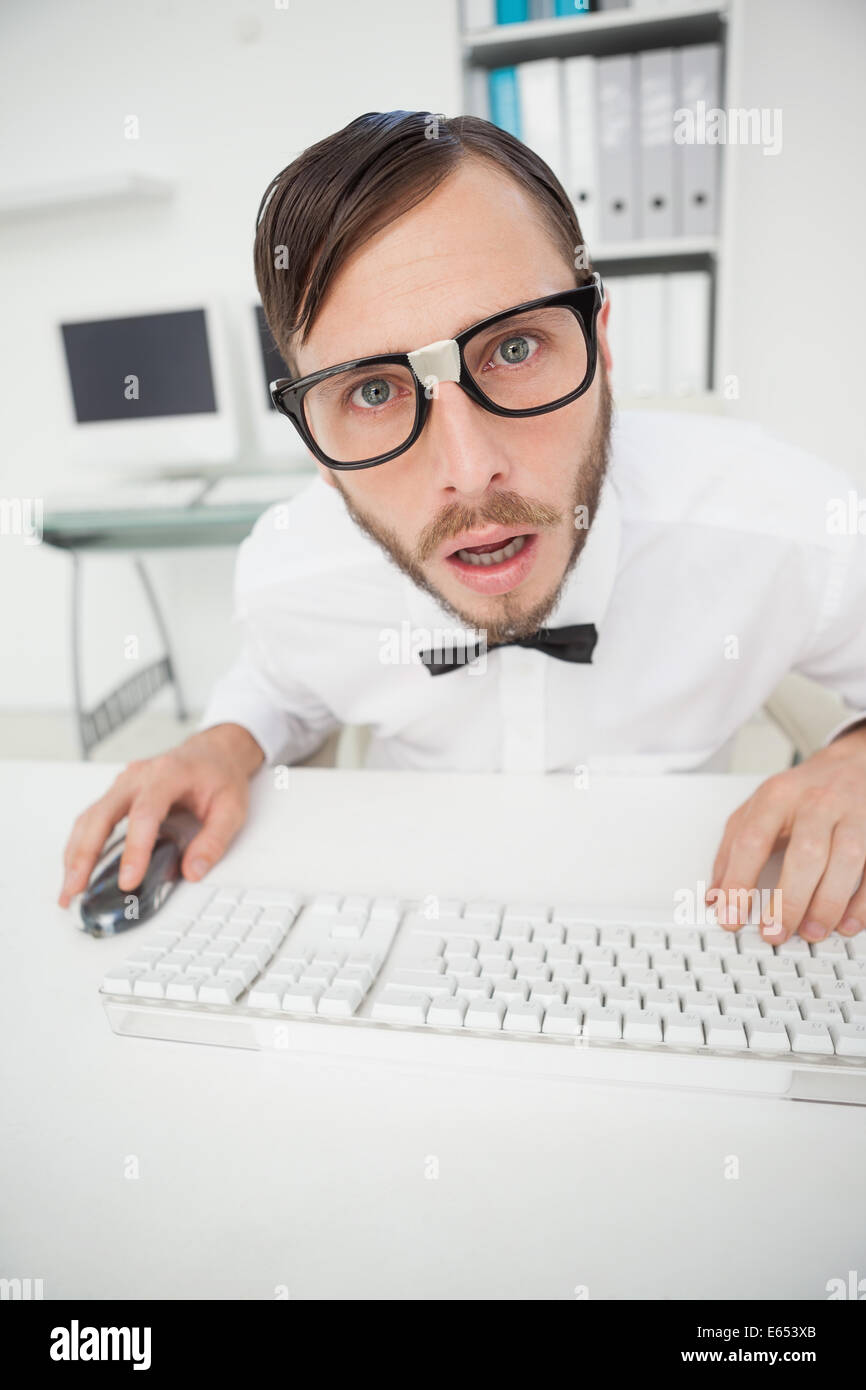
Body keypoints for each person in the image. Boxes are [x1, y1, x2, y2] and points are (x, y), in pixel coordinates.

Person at [58, 111, 866, 946]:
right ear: (315, 447)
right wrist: (228, 741)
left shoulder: (781, 522)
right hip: (414, 942)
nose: (470, 470)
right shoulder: (296, 574)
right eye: (373, 390)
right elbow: (284, 679)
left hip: (682, 936)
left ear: (600, 339)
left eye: (514, 348)